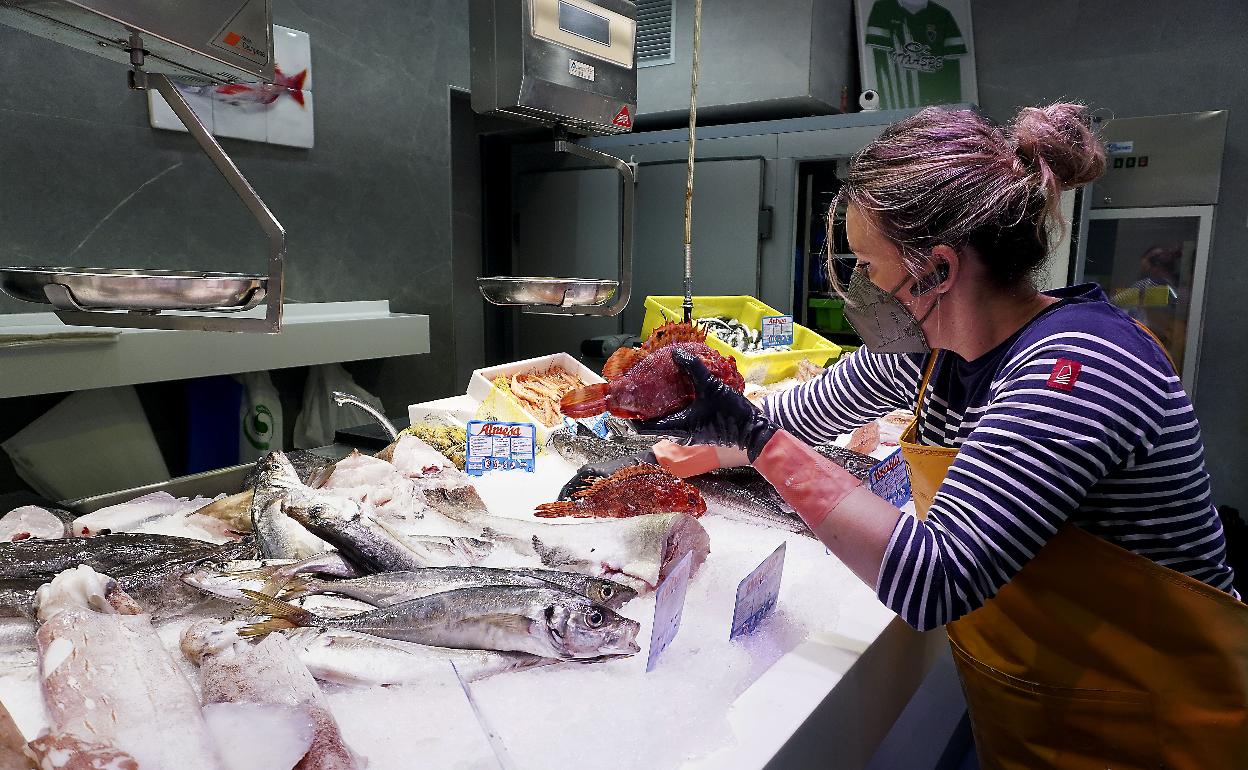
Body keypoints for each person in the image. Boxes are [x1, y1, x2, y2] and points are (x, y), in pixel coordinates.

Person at [563, 104, 1248, 768]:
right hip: (1039, 708)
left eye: (868, 264)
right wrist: (690, 441)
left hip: (1156, 727)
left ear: (940, 270)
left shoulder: (1077, 370)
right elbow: (807, 410)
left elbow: (934, 578)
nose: (858, 284)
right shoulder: (933, 349)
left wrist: (754, 437)